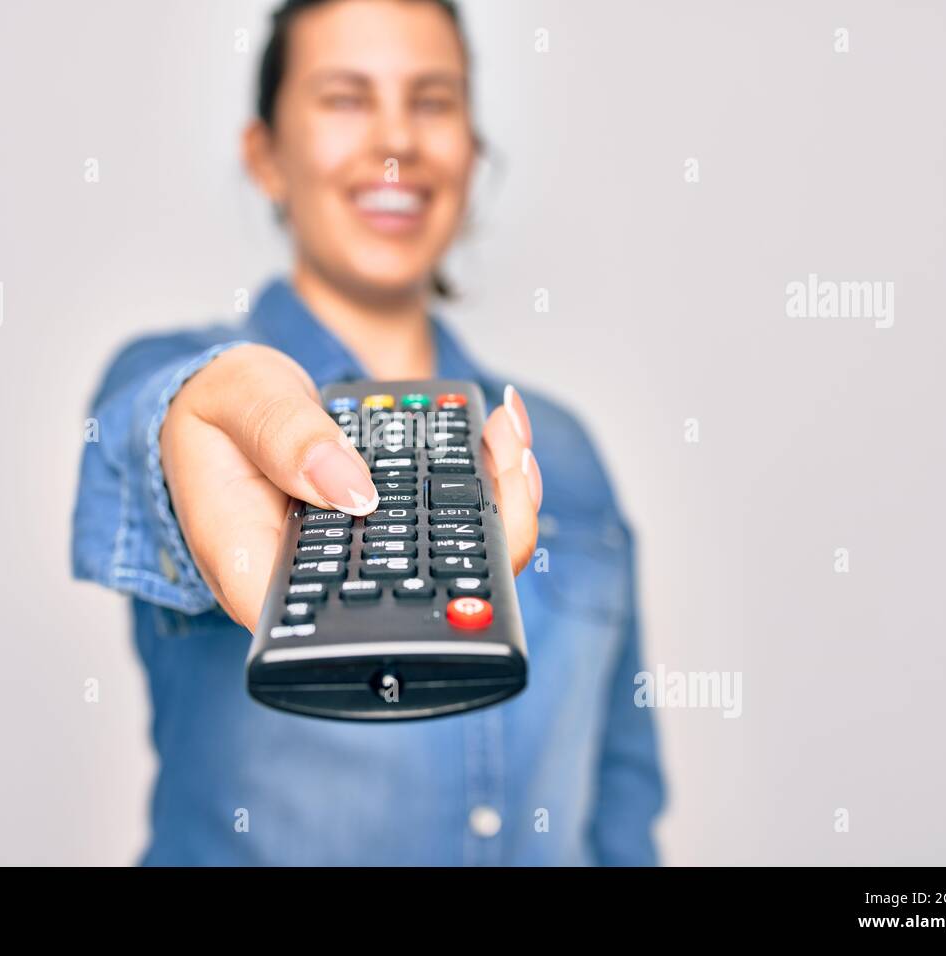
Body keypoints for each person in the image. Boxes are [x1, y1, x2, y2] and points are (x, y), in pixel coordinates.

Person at [72, 0, 664, 865]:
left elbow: (621, 796)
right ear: (265, 157)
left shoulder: (560, 448)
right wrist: (205, 414)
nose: (398, 140)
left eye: (433, 101)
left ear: (472, 151)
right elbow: (150, 431)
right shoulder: (184, 386)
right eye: (345, 98)